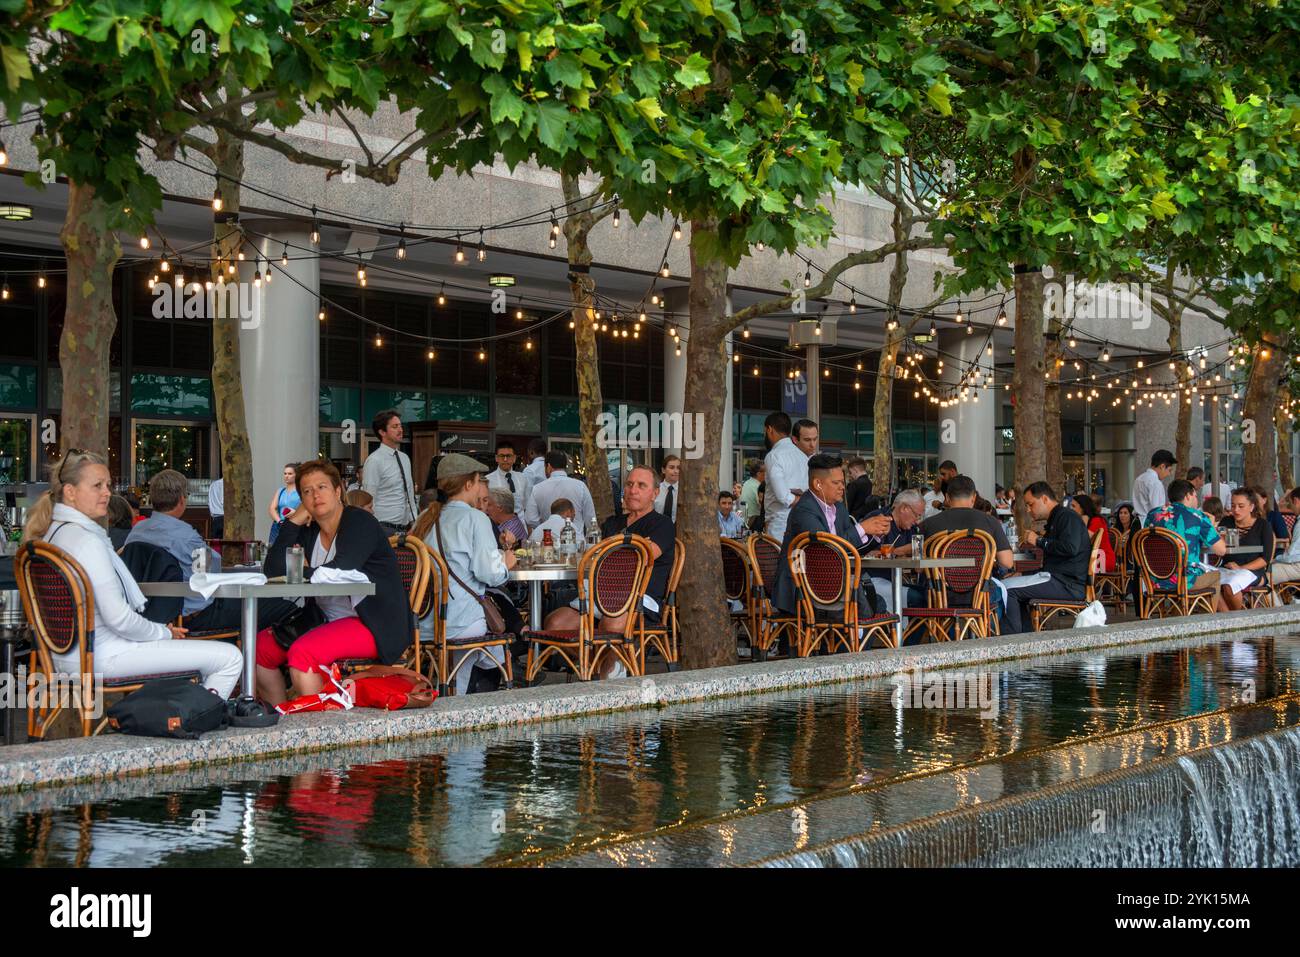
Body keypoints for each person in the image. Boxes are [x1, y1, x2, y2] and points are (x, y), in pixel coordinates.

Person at [22, 451, 242, 698]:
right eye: (97, 486)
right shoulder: (87, 541)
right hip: (103, 656)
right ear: (70, 492)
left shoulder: (54, 534)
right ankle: (194, 721)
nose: (107, 493)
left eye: (108, 485)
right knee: (230, 657)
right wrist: (164, 632)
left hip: (60, 656)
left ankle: (180, 718)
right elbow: (119, 620)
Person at [256, 460, 413, 706]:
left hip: (373, 624)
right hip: (323, 619)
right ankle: (281, 721)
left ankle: (322, 729)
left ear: (338, 491)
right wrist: (294, 521)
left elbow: (343, 566)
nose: (315, 495)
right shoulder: (309, 530)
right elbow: (274, 570)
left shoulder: (360, 522)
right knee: (260, 649)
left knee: (302, 653)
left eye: (322, 487)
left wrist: (301, 572)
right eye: (306, 491)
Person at [543, 464, 674, 680]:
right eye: (630, 484)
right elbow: (601, 556)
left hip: (640, 599)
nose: (633, 490)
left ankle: (606, 676)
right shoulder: (613, 524)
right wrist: (628, 548)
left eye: (642, 485)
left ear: (655, 493)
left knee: (611, 623)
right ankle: (602, 665)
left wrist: (612, 552)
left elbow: (644, 557)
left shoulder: (662, 524)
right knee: (555, 624)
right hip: (599, 595)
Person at [130, 469, 297, 635]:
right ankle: (257, 657)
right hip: (193, 616)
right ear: (182, 500)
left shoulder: (137, 531)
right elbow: (213, 569)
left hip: (148, 614)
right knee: (284, 606)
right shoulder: (185, 536)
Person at [414, 454, 518, 694]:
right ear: (469, 484)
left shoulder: (424, 519)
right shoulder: (475, 518)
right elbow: (490, 575)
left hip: (425, 621)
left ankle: (451, 691)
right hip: (461, 621)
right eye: (480, 480)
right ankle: (458, 698)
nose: (483, 486)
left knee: (489, 653)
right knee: (494, 650)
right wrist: (506, 564)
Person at [769, 454, 890, 631]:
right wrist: (863, 528)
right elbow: (826, 546)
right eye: (836, 483)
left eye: (843, 482)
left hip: (831, 588)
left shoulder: (838, 507)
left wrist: (876, 533)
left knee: (875, 603)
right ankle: (842, 653)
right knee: (873, 606)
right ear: (818, 484)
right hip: (803, 591)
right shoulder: (804, 510)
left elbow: (849, 547)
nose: (842, 487)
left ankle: (841, 652)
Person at [1002, 482, 1093, 634]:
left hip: (1067, 584)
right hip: (1060, 579)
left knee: (1006, 589)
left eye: (1031, 504)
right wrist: (1023, 574)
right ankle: (1024, 638)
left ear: (1044, 499)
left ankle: (1011, 642)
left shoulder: (1067, 517)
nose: (1028, 510)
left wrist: (1038, 540)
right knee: (1006, 585)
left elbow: (1070, 548)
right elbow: (1052, 563)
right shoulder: (1059, 517)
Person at [1145, 479, 1225, 597]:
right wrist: (1211, 526)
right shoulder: (1197, 516)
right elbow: (1221, 550)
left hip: (1153, 579)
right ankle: (1209, 615)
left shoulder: (1152, 514)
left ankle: (1177, 611)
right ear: (1188, 495)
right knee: (1216, 576)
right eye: (1195, 496)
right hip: (1184, 580)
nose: (1197, 500)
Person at [920, 475, 1014, 574]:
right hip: (980, 587)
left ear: (947, 498)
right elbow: (1007, 562)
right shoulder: (990, 522)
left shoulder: (929, 524)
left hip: (938, 588)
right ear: (974, 498)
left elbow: (919, 567)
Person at [861, 489, 925, 613]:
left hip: (895, 580)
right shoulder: (878, 520)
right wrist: (899, 551)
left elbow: (918, 565)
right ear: (904, 508)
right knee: (917, 598)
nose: (917, 520)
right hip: (871, 580)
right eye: (917, 515)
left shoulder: (910, 529)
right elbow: (864, 552)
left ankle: (906, 631)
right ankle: (903, 631)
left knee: (927, 594)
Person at [1216, 488, 1274, 611]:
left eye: (1241, 506)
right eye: (1233, 505)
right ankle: (1228, 622)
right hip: (1227, 568)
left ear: (1252, 507)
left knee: (1230, 586)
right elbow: (1218, 545)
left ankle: (1237, 619)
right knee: (1210, 584)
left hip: (1253, 571)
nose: (1236, 510)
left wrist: (1241, 567)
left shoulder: (1263, 526)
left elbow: (1265, 559)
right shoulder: (1226, 522)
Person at [363, 409, 418, 535]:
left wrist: (415, 521)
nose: (400, 429)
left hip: (405, 528)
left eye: (400, 426)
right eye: (395, 426)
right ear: (382, 432)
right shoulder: (374, 460)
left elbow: (409, 493)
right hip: (383, 527)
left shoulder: (404, 458)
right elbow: (368, 498)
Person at [763, 411, 807, 542]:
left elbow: (783, 496)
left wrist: (800, 500)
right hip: (801, 520)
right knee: (798, 561)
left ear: (769, 429)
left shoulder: (773, 455)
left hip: (779, 524)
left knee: (779, 561)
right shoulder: (803, 456)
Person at [524, 450, 596, 530]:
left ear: (548, 466)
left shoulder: (537, 488)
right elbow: (590, 517)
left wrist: (545, 526)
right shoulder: (580, 486)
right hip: (576, 538)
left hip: (549, 538)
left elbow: (530, 519)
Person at [486, 440, 532, 522]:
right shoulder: (488, 480)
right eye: (501, 456)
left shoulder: (523, 478)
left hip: (520, 527)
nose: (505, 459)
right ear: (496, 458)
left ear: (514, 458)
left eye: (508, 456)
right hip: (498, 528)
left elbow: (526, 507)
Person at [1070, 493, 1114, 573]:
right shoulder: (1079, 521)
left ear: (1082, 508)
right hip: (1090, 558)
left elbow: (1083, 541)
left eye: (1073, 506)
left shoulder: (1096, 520)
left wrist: (1084, 521)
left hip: (1102, 559)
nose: (1071, 509)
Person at [1268, 487, 1300, 588]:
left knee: (1262, 578)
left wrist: (1275, 559)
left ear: (1296, 501)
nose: (1289, 507)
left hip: (1297, 566)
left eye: (1290, 503)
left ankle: (1276, 604)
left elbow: (1292, 555)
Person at [1133, 449, 1176, 522]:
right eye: (1169, 470)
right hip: (1148, 525)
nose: (1169, 474)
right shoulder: (1156, 483)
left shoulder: (1139, 479)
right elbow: (1157, 511)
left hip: (1136, 523)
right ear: (1162, 466)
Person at [266, 463, 300, 545]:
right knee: (273, 550)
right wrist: (279, 521)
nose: (286, 476)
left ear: (296, 475)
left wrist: (295, 513)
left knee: (291, 551)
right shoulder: (280, 491)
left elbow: (306, 511)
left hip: (294, 525)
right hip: (279, 525)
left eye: (290, 473)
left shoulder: (301, 492)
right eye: (285, 473)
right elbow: (272, 508)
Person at [654, 454, 681, 522]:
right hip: (657, 527)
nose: (676, 471)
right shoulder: (655, 490)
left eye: (678, 468)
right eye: (671, 467)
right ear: (663, 470)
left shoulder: (684, 492)